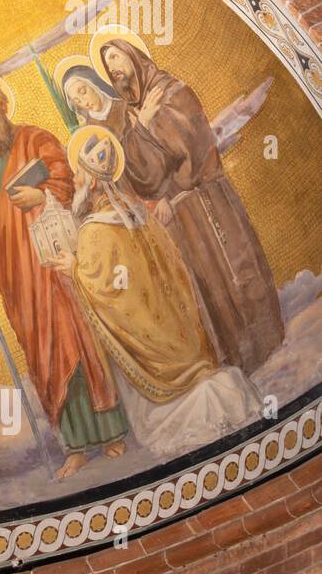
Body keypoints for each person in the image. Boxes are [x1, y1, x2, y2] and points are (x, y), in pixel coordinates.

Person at [0, 70, 126, 478]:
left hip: (54, 261)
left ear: (2, 103)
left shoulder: (35, 139)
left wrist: (42, 194)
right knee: (43, 356)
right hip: (17, 279)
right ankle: (76, 445)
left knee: (78, 341)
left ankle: (112, 431)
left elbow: (67, 178)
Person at [48, 127, 262, 457]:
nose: (74, 180)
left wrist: (72, 268)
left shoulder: (93, 230)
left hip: (150, 348)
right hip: (178, 332)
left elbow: (102, 286)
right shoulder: (137, 212)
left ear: (90, 180)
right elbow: (170, 268)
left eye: (78, 173)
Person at [94, 32, 283, 373]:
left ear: (134, 56)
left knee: (231, 266)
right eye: (108, 66)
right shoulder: (131, 120)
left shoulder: (173, 92)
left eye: (117, 59)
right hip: (177, 216)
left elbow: (195, 146)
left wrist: (169, 186)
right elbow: (136, 176)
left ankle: (268, 344)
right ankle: (236, 356)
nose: (114, 70)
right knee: (206, 281)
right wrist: (143, 128)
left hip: (205, 200)